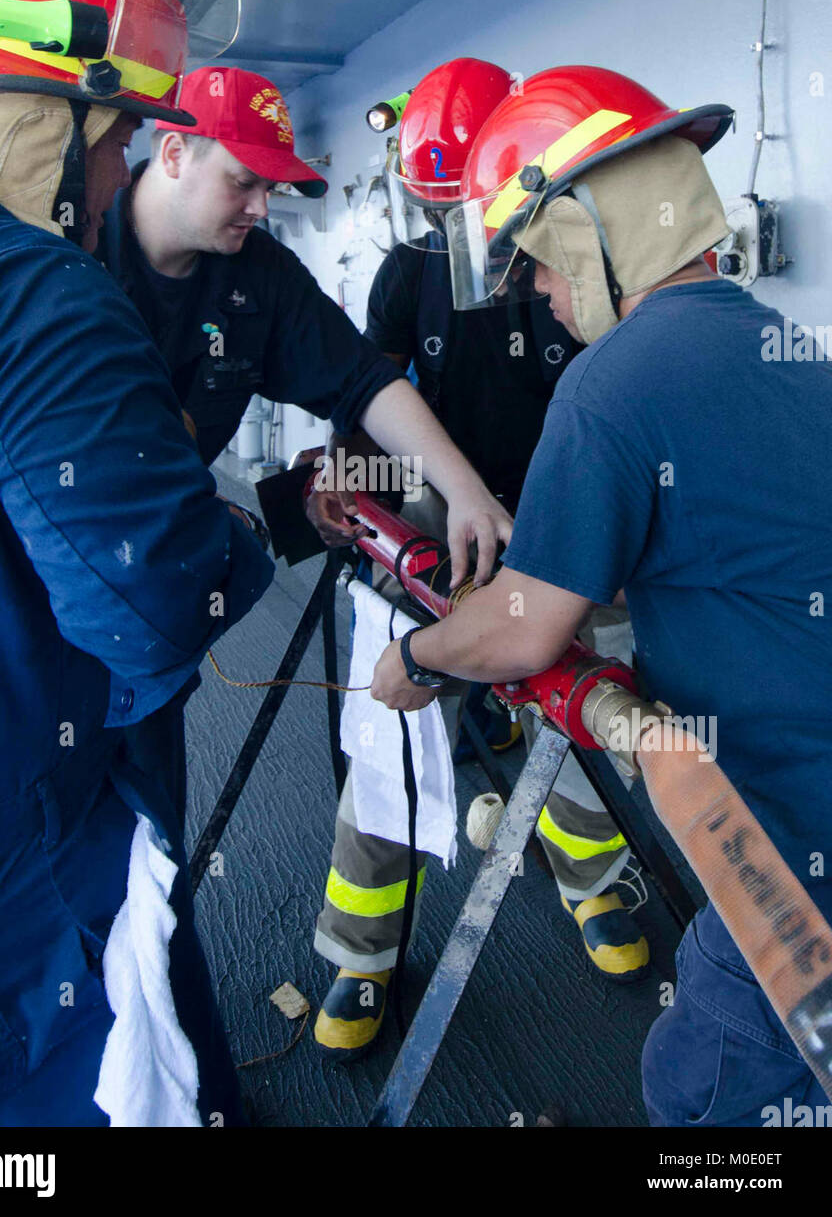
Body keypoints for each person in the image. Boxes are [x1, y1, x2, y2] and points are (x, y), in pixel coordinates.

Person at [369, 63, 832, 1126]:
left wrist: (421, 656)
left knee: (696, 1088)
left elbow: (524, 631)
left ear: (587, 232)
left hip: (788, 844)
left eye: (538, 261)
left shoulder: (616, 377)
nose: (535, 289)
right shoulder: (781, 343)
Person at [0, 0, 275, 1126]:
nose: (114, 173)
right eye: (114, 138)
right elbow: (158, 609)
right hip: (10, 868)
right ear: (41, 109)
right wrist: (240, 529)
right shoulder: (26, 287)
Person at [308, 59, 644, 1065]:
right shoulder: (409, 271)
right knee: (387, 733)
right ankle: (362, 949)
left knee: (595, 702)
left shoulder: (577, 266)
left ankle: (591, 879)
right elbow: (366, 389)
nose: (462, 241)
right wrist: (354, 492)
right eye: (433, 206)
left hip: (564, 518)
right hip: (438, 517)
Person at [98, 63, 514, 827]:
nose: (261, 208)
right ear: (174, 151)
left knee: (147, 826)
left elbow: (364, 385)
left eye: (271, 189)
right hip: (47, 589)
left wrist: (463, 494)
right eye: (245, 182)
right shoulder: (70, 254)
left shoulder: (260, 276)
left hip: (161, 602)